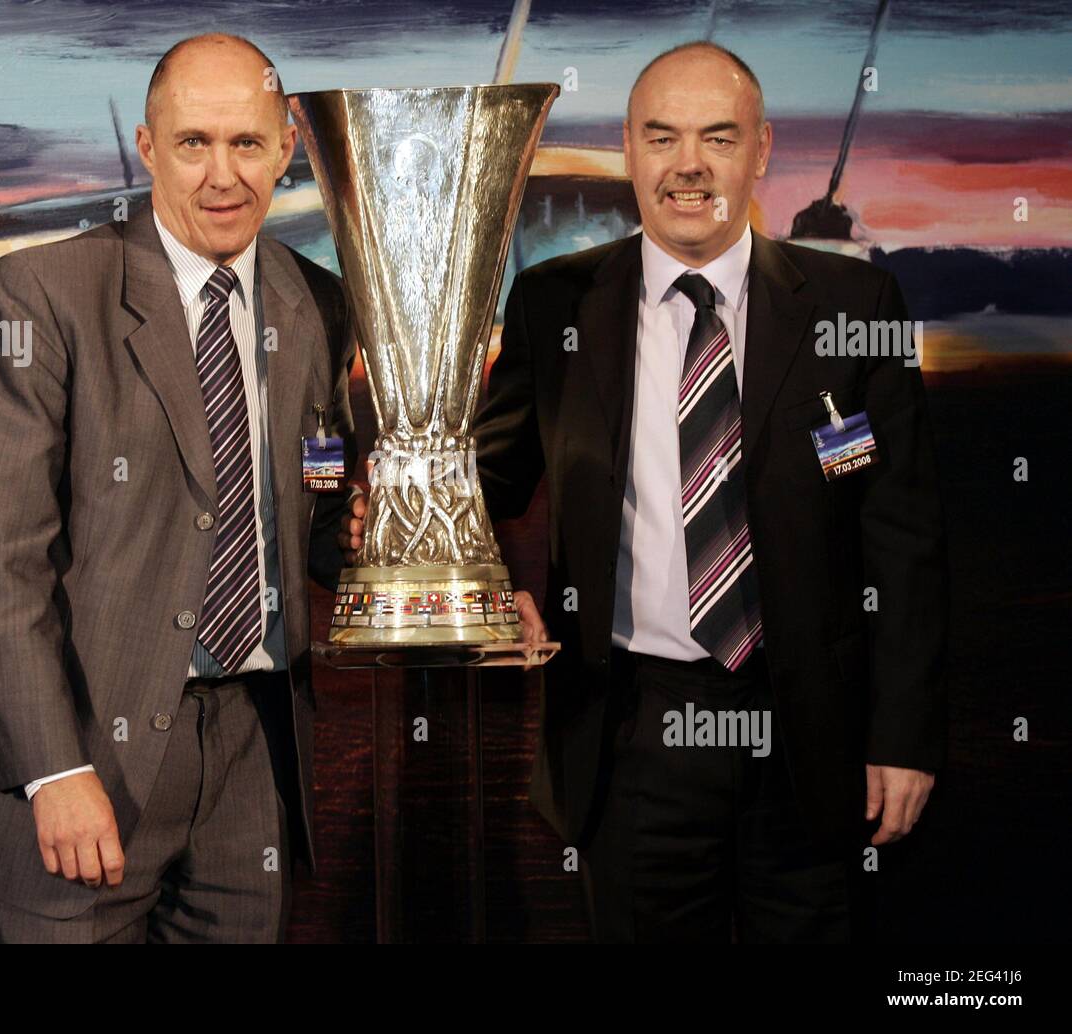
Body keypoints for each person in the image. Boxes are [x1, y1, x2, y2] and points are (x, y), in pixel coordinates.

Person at [348, 40, 947, 942]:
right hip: (633, 738)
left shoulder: (855, 304)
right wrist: (420, 525)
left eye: (718, 136)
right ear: (629, 148)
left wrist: (902, 735)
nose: (689, 165)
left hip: (813, 740)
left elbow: (905, 541)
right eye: (662, 138)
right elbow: (488, 478)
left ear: (761, 149)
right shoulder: (557, 304)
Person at [0, 33, 356, 942]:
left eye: (247, 143)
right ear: (147, 146)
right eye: (193, 143)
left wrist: (395, 544)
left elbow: (317, 518)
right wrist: (52, 772)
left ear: (286, 148)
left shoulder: (318, 302)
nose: (223, 175)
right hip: (91, 754)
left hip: (256, 757)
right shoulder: (41, 294)